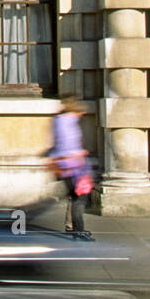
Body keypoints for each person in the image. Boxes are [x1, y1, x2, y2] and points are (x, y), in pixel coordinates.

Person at [46, 95, 94, 240]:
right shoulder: (68, 122)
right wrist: (78, 154)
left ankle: (71, 227)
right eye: (81, 112)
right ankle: (78, 230)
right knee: (80, 199)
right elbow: (66, 146)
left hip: (68, 166)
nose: (82, 115)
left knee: (74, 197)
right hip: (72, 167)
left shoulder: (60, 120)